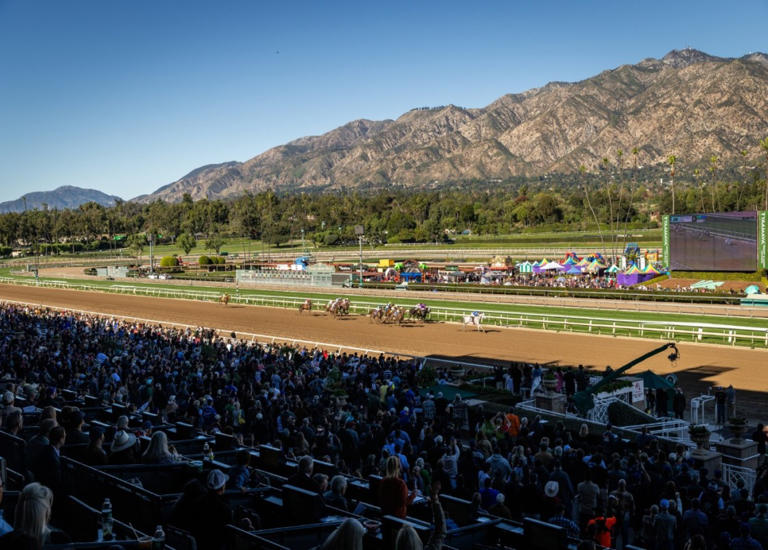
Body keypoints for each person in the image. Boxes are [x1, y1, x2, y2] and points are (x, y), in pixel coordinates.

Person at [190, 470, 233, 550]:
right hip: (217, 545)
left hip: (199, 544)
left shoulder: (197, 502)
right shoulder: (225, 508)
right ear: (223, 487)